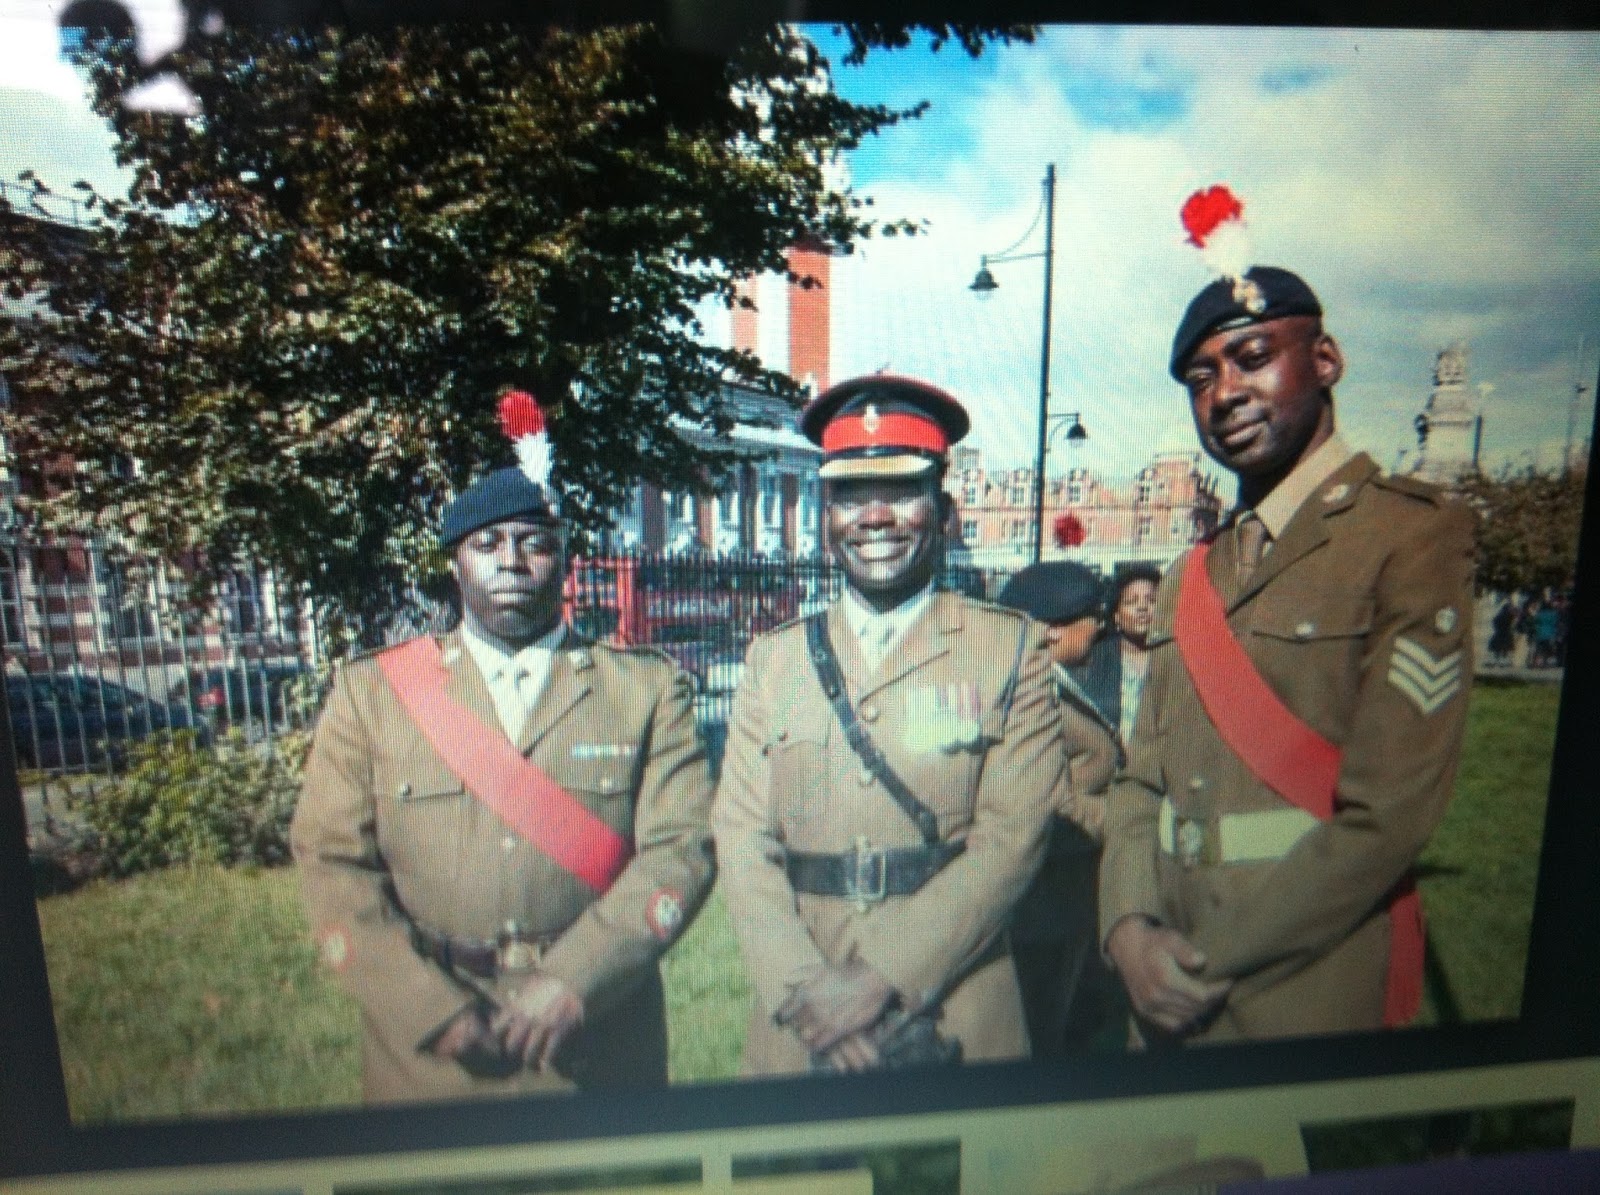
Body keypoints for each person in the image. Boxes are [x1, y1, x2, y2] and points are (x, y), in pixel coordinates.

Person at [1100, 266, 1475, 1044]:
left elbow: (1387, 816)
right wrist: (1128, 931)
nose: (1225, 392)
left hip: (1299, 988)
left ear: (1327, 361)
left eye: (1253, 355)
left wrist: (1204, 959)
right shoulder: (1189, 575)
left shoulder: (1407, 536)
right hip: (1159, 983)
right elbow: (1139, 783)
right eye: (1202, 378)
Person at [291, 436, 715, 1103]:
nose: (511, 562)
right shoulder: (374, 695)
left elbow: (682, 849)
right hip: (428, 1061)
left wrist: (576, 980)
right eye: (487, 545)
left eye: (533, 543)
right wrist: (434, 1011)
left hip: (600, 1046)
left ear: (565, 561)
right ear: (456, 565)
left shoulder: (647, 691)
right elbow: (331, 862)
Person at [713, 374, 1066, 1075]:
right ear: (827, 511)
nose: (874, 516)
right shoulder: (773, 660)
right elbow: (741, 838)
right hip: (803, 1022)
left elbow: (1013, 840)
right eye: (850, 494)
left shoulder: (1011, 649)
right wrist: (806, 992)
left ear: (945, 511)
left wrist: (878, 978)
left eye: (902, 491)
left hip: (956, 1005)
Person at [996, 560, 1125, 1055]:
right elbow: (1049, 797)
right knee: (1039, 1032)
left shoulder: (1052, 678)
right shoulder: (1031, 694)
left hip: (1067, 887)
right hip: (1041, 894)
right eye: (1091, 618)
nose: (1100, 628)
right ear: (1050, 631)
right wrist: (1128, 822)